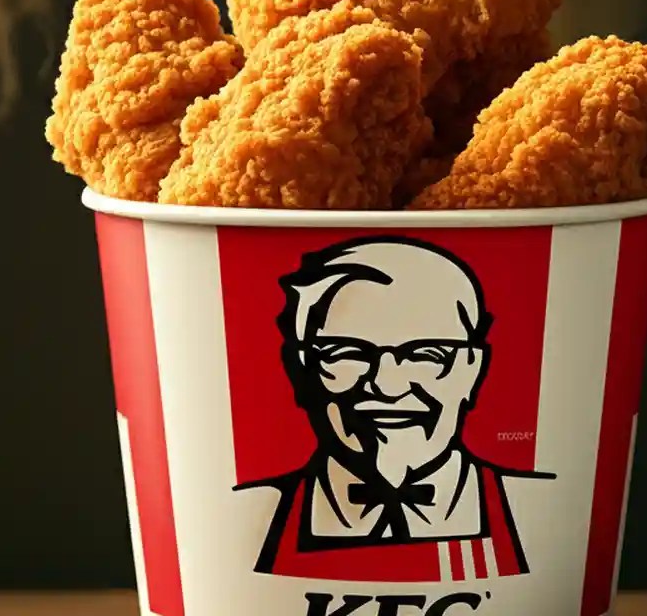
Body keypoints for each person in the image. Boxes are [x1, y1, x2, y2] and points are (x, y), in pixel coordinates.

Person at [237, 236, 553, 582]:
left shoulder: (542, 510)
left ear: (472, 370)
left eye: (427, 354)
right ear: (300, 370)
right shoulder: (242, 515)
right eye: (347, 353)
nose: (388, 386)